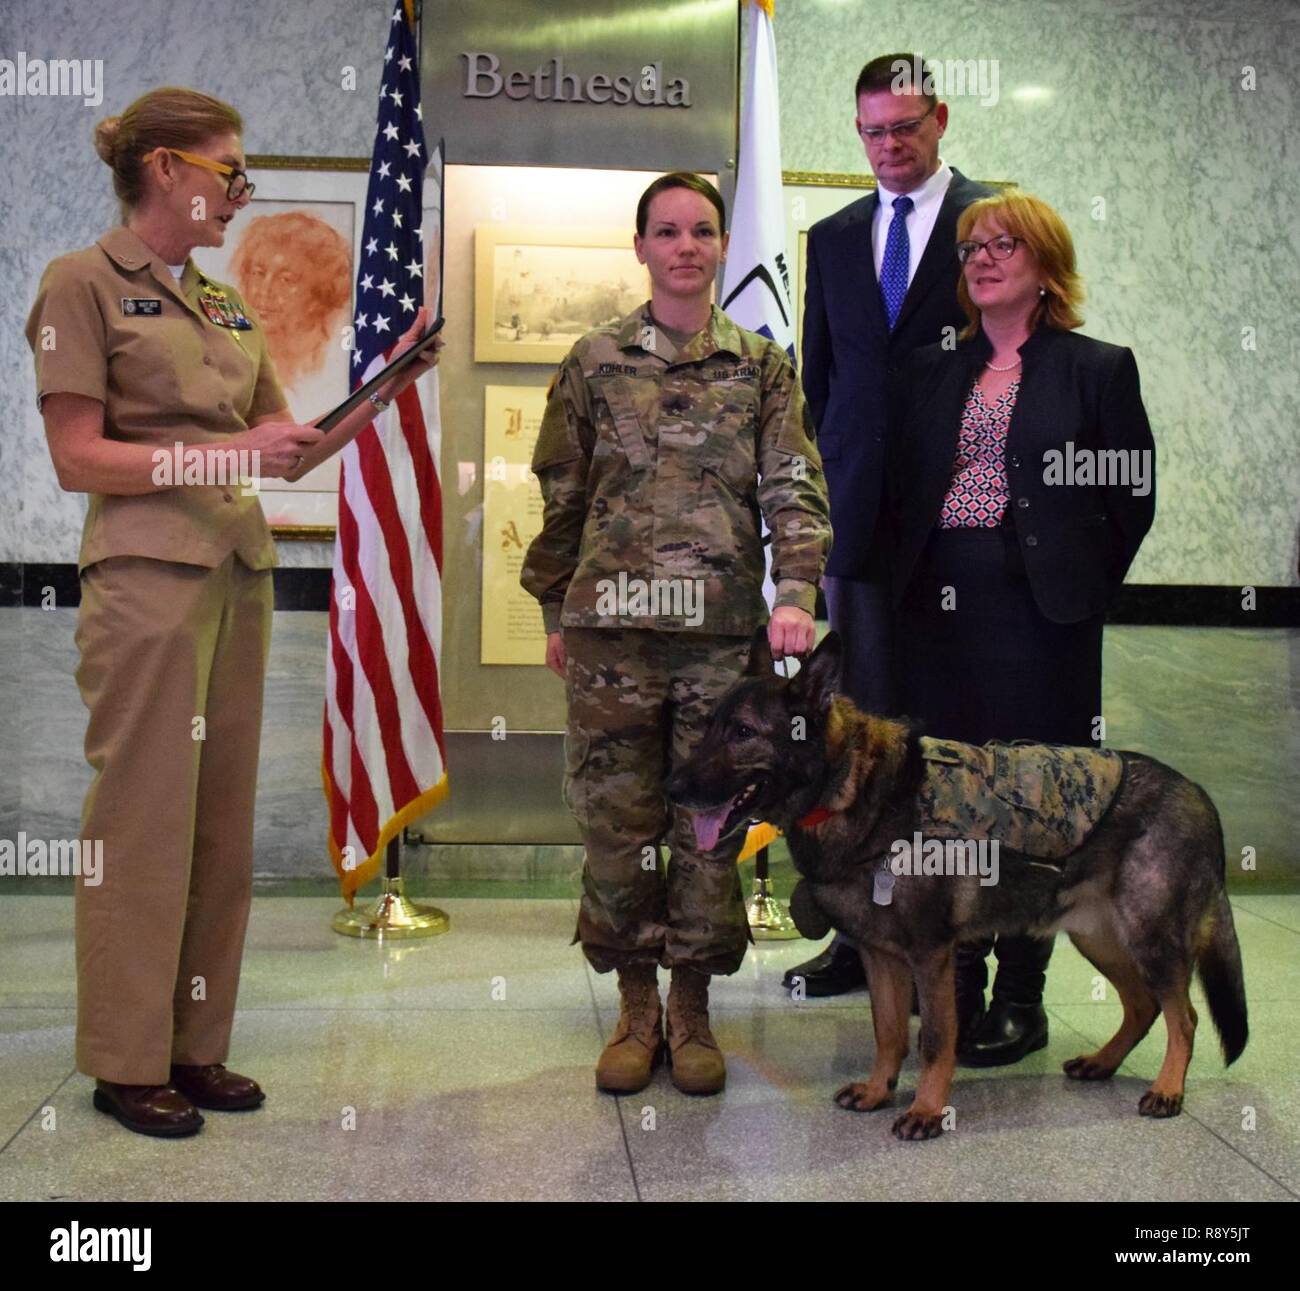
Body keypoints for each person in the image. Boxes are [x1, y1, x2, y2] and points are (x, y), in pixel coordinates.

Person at [25, 87, 442, 1137]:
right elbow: (78, 458)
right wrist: (227, 453)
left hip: (237, 573)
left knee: (218, 831)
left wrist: (384, 389)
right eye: (229, 171)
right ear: (165, 168)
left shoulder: (220, 304)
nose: (238, 190)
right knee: (143, 824)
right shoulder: (80, 284)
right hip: (148, 583)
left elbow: (282, 446)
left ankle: (193, 1046)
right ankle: (125, 1060)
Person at [521, 172, 831, 1096]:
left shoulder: (763, 366)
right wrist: (552, 610)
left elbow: (792, 483)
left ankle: (692, 1006)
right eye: (667, 231)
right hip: (610, 637)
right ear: (642, 247)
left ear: (722, 245)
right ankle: (634, 1005)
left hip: (721, 640)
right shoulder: (593, 360)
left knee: (706, 824)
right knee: (617, 819)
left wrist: (799, 592)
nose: (685, 246)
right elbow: (561, 496)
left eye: (701, 230)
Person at [888, 188, 1156, 1065]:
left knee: (1036, 801)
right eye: (971, 248)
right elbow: (905, 497)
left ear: (1045, 266)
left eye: (1005, 244)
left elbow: (1131, 499)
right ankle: (955, 983)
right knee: (952, 798)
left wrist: (1072, 590)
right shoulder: (936, 370)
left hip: (1044, 624)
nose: (984, 258)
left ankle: (1022, 993)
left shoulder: (1097, 368)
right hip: (942, 618)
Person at [789, 53, 993, 1002]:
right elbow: (820, 388)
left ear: (941, 118)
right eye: (872, 131)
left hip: (964, 527)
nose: (889, 146)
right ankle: (854, 936)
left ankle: (964, 948)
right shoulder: (831, 237)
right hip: (860, 536)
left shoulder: (992, 224)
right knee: (858, 742)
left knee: (950, 746)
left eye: (905, 127)